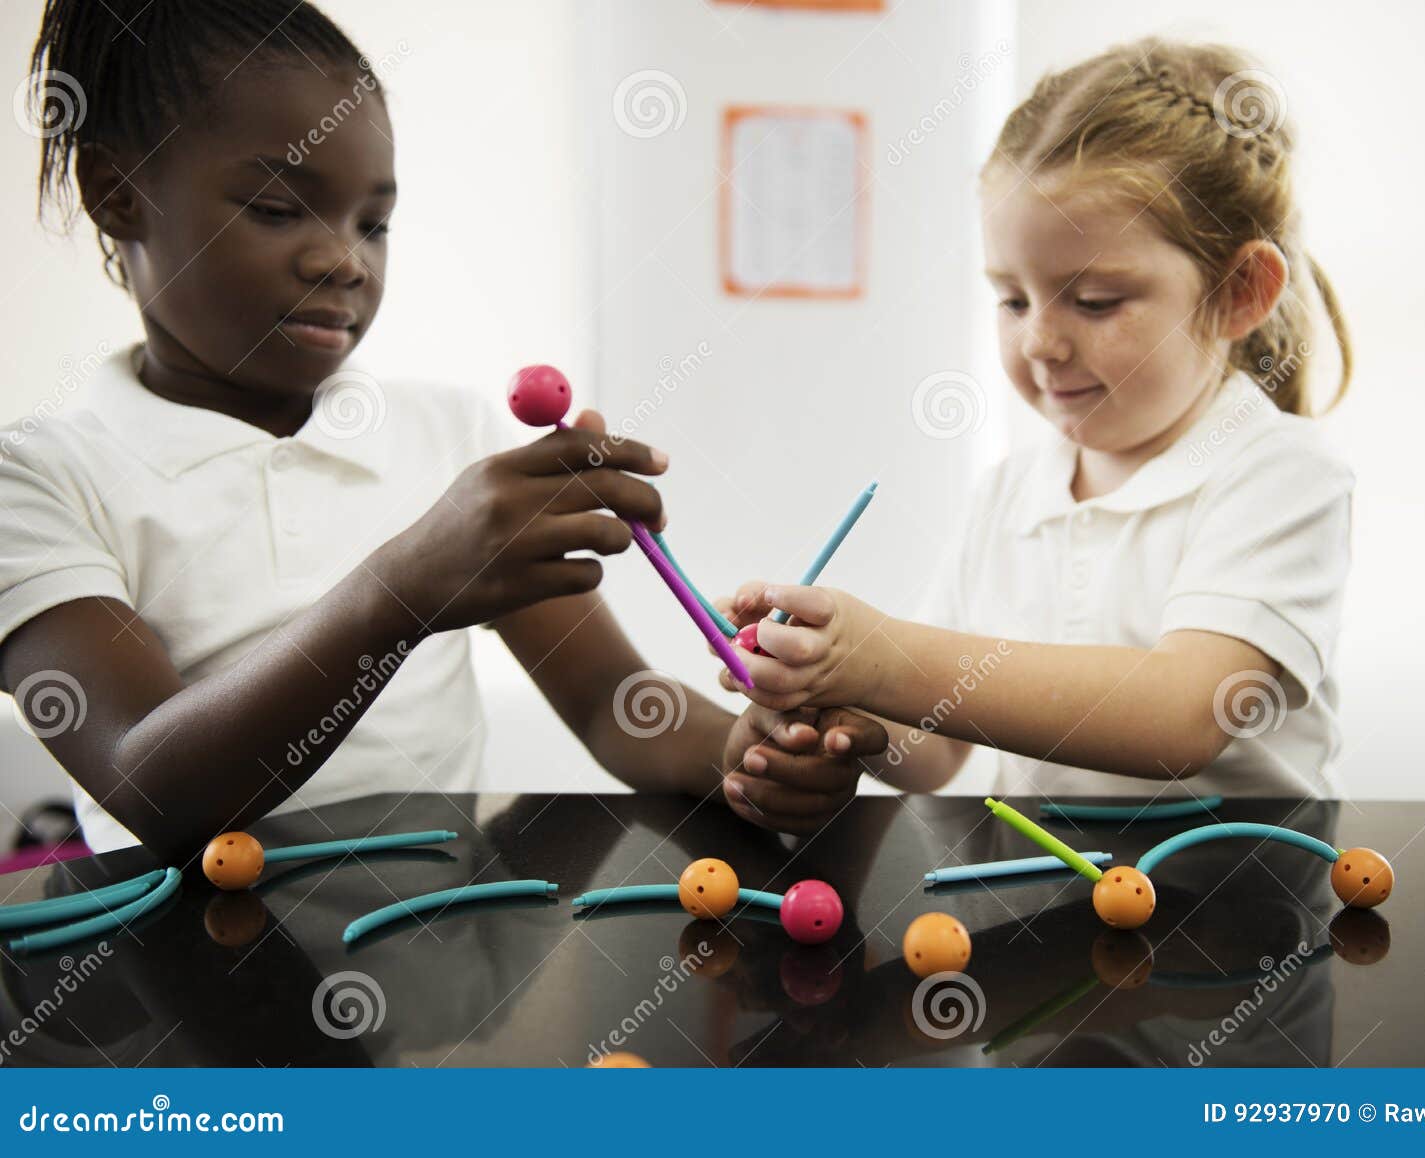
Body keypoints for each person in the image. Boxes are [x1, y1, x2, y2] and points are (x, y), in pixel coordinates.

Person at [0, 0, 883, 857]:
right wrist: (406, 588)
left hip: (439, 960)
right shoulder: (37, 482)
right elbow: (148, 786)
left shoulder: (449, 438)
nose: (344, 259)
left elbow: (614, 701)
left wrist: (743, 757)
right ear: (116, 194)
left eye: (373, 224)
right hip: (181, 986)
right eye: (276, 208)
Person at [723, 39, 1355, 802]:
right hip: (1042, 894)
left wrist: (881, 658)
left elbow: (1182, 717)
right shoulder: (1008, 492)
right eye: (1012, 299)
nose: (1040, 342)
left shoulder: (1279, 471)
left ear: (1241, 292)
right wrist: (840, 716)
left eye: (1095, 302)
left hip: (1237, 900)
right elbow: (936, 747)